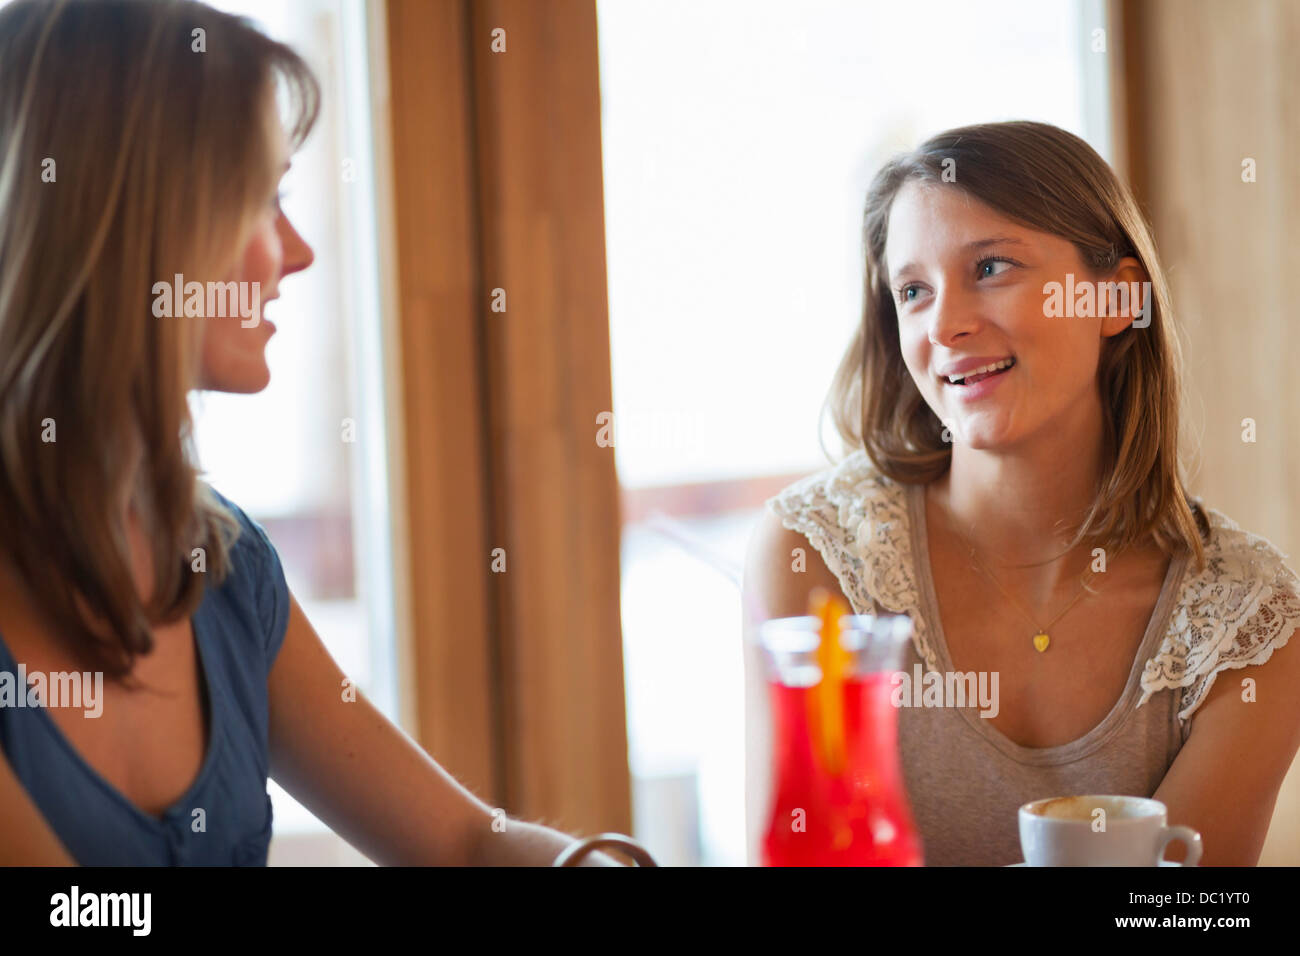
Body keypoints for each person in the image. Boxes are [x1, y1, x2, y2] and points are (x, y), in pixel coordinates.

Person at [0, 0, 616, 866]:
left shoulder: (225, 566)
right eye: (264, 200)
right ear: (137, 228)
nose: (297, 251)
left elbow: (465, 843)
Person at [744, 120, 1300, 866]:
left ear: (1117, 301)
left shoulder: (1253, 623)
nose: (945, 324)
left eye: (992, 267)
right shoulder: (814, 558)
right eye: (912, 290)